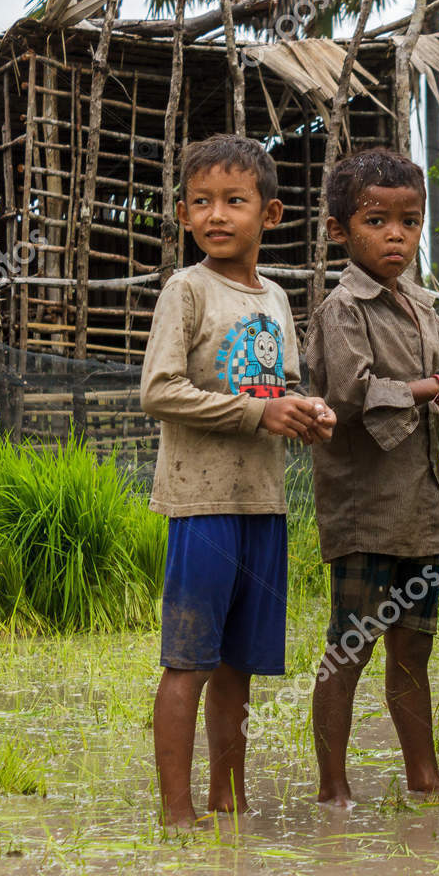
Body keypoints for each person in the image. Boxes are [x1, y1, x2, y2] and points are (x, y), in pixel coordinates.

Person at [141, 134, 335, 828]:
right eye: (200, 202)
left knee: (238, 667)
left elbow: (274, 386)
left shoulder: (278, 299)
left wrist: (305, 411)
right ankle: (177, 810)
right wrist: (261, 411)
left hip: (264, 502)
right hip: (202, 504)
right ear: (184, 214)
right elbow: (159, 390)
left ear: (271, 213)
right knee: (188, 660)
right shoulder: (186, 289)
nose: (216, 215)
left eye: (233, 200)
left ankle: (230, 798)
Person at [306, 148, 439, 805]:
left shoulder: (420, 306)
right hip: (364, 514)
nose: (396, 234)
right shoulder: (343, 309)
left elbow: (417, 401)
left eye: (410, 221)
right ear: (340, 230)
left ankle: (425, 773)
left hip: (421, 511)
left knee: (412, 650)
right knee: (350, 649)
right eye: (376, 220)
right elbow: (353, 393)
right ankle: (334, 787)